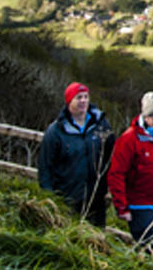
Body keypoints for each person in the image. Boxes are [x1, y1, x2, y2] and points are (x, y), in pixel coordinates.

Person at [108, 90, 153, 256]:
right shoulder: (129, 140)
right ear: (151, 116)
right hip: (142, 209)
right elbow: (116, 174)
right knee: (149, 256)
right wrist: (122, 207)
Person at [37, 81, 113, 225]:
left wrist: (110, 187)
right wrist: (49, 198)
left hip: (96, 199)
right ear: (69, 101)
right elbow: (45, 166)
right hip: (67, 199)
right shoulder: (56, 131)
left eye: (86, 96)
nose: (83, 101)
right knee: (71, 239)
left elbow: (111, 154)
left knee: (96, 239)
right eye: (78, 97)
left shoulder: (101, 125)